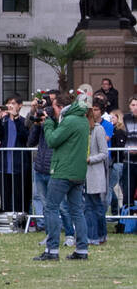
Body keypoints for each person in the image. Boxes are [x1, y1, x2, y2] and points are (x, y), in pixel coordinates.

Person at [36, 91, 90, 261]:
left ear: (60, 106)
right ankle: (82, 249)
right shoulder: (82, 120)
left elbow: (52, 140)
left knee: (51, 208)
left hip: (63, 171)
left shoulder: (70, 121)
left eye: (54, 108)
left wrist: (48, 124)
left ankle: (52, 250)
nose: (54, 112)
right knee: (77, 211)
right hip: (78, 172)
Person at [0, 97, 32, 215]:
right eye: (8, 104)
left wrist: (15, 118)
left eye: (13, 103)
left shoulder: (23, 121)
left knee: (19, 194)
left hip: (19, 164)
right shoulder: (3, 120)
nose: (10, 106)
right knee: (6, 194)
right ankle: (7, 218)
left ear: (20, 106)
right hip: (5, 164)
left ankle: (20, 219)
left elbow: (25, 137)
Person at [85, 105, 110, 245]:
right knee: (88, 206)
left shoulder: (98, 130)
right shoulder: (83, 131)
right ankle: (93, 235)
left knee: (96, 206)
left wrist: (90, 159)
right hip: (84, 175)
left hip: (95, 173)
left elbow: (104, 153)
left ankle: (98, 235)